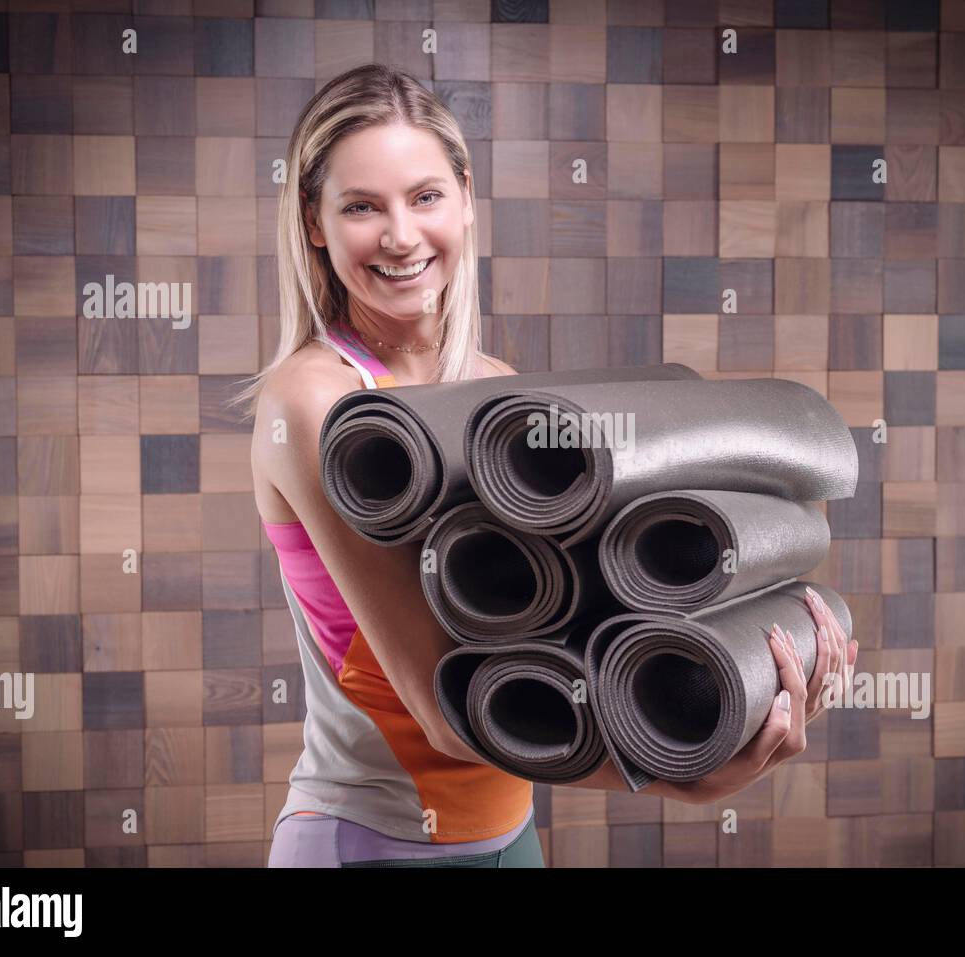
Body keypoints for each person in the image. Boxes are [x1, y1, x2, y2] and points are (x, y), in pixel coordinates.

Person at [231, 64, 858, 868]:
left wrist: (760, 671)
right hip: (368, 844)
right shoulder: (314, 404)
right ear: (314, 224)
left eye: (425, 196)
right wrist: (671, 776)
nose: (399, 235)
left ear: (464, 197)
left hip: (513, 841)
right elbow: (442, 711)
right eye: (361, 206)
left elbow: (587, 625)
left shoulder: (497, 396)